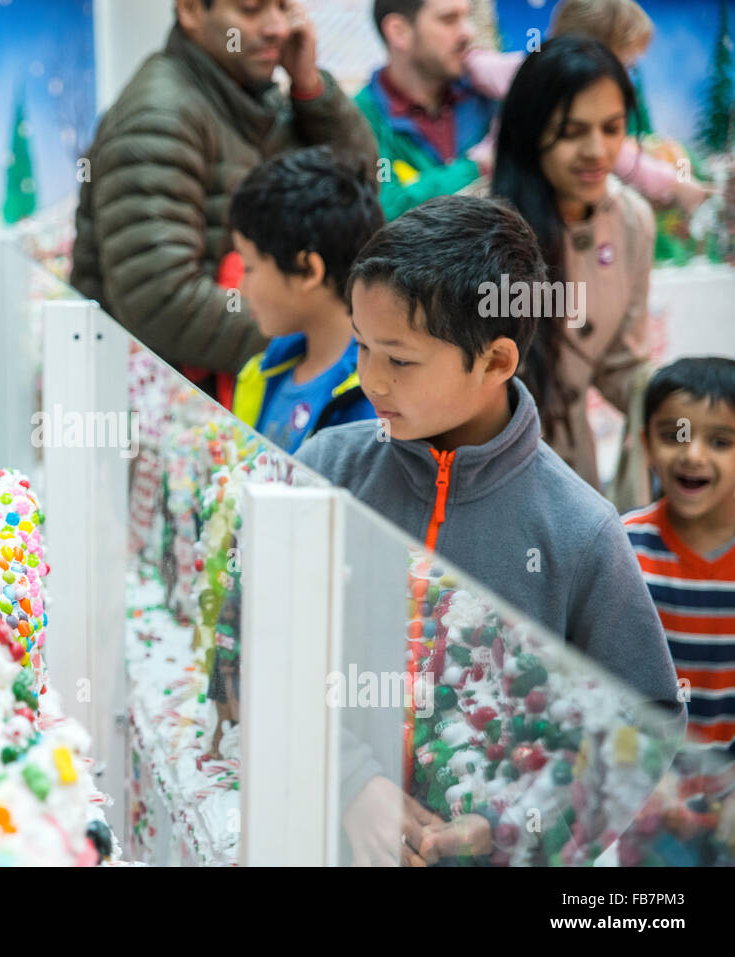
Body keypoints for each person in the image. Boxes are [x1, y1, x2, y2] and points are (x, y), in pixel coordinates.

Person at [296, 195, 682, 865]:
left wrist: (512, 827)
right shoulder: (327, 468)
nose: (370, 377)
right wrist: (352, 782)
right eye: (361, 344)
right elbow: (256, 637)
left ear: (497, 361)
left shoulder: (578, 530)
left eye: (400, 358)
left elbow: (643, 730)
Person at [71, 0, 378, 388]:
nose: (278, 28)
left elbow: (358, 199)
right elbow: (162, 303)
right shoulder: (159, 115)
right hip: (164, 406)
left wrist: (311, 88)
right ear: (191, 11)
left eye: (284, 7)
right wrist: (319, 336)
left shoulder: (251, 95)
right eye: (251, 10)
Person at [480, 35, 656, 491]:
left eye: (613, 128)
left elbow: (621, 366)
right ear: (529, 130)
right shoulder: (475, 229)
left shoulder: (631, 222)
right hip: (488, 473)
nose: (597, 151)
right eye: (572, 132)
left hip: (575, 481)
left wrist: (681, 396)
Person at [462, 0, 711, 214]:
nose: (625, 76)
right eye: (625, 64)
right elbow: (622, 159)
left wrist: (467, 58)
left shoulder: (523, 68)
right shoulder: (562, 88)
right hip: (505, 183)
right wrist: (675, 185)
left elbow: (482, 68)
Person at [228, 147, 384, 452]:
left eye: (249, 268)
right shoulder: (265, 371)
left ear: (308, 270)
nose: (242, 289)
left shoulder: (374, 403)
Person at [625, 358, 735, 754]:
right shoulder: (622, 547)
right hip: (643, 775)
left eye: (721, 442)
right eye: (674, 435)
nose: (693, 455)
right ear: (646, 444)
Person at [355, 0, 497, 221]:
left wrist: (517, 79)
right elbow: (385, 211)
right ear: (399, 31)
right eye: (449, 20)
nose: (468, 32)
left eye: (467, 17)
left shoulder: (485, 97)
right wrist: (478, 166)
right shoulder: (361, 118)